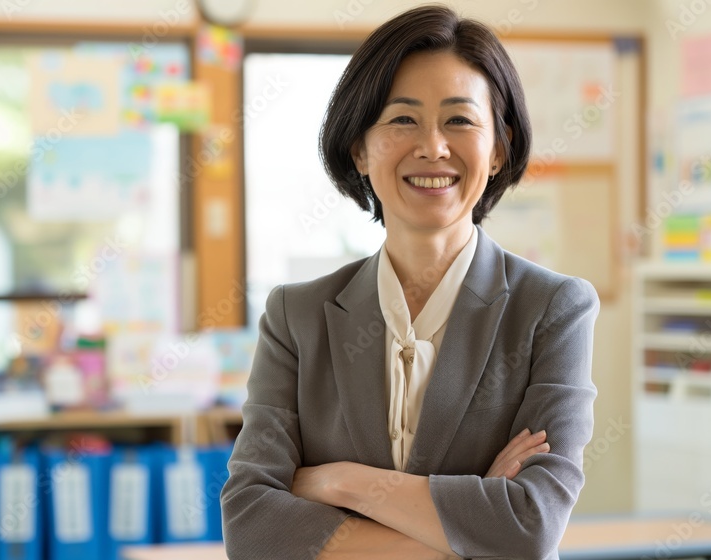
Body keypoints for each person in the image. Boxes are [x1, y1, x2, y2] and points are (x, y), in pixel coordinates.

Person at [220, 5, 599, 559]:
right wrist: (467, 537)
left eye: (460, 120)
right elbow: (251, 527)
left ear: (497, 150)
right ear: (359, 148)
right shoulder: (296, 316)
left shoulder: (553, 309)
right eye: (402, 120)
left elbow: (531, 526)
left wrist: (340, 483)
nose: (433, 147)